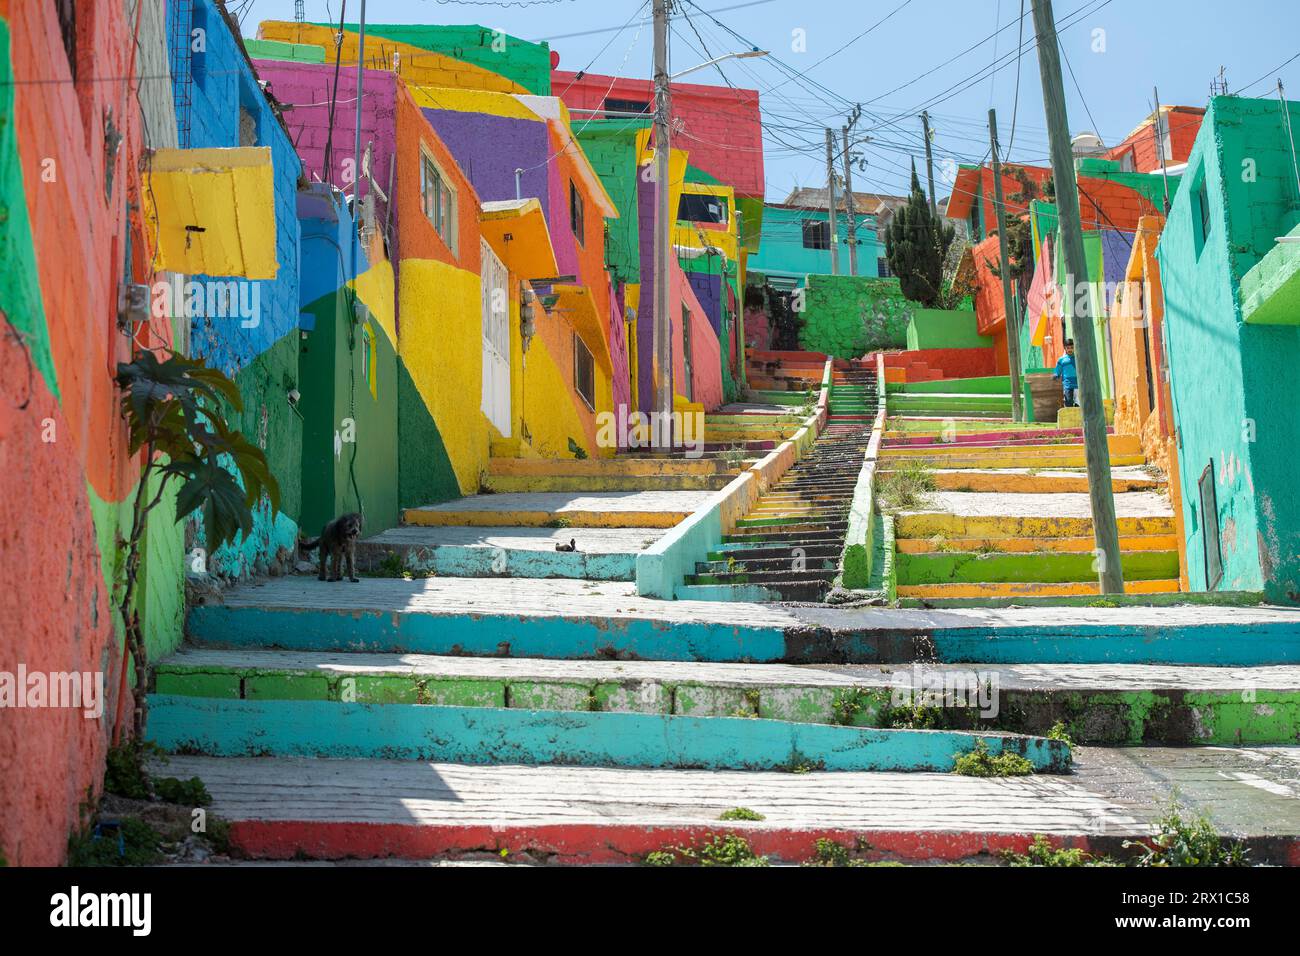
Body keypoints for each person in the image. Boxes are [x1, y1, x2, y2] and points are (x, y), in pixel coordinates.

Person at [1054, 339, 1078, 407]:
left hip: (1078, 385)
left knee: (1079, 404)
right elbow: (1057, 371)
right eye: (1068, 348)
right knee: (1068, 403)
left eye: (1072, 347)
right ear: (1065, 348)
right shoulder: (1061, 360)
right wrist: (1056, 375)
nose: (1070, 349)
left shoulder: (1078, 358)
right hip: (1068, 385)